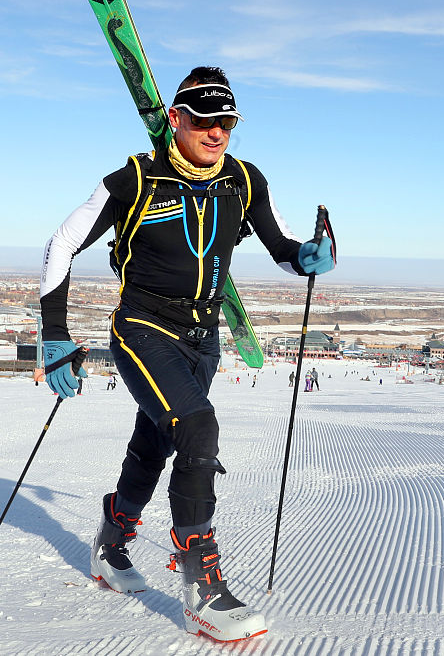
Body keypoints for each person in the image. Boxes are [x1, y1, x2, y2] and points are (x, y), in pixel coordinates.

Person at [39, 66, 334, 641]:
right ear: (175, 119)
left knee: (154, 443)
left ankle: (111, 539)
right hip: (143, 329)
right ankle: (203, 585)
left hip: (204, 338)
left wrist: (309, 256)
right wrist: (55, 334)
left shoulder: (245, 181)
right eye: (203, 120)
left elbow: (280, 247)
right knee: (197, 427)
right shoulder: (135, 179)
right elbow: (63, 242)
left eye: (225, 121)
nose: (216, 132)